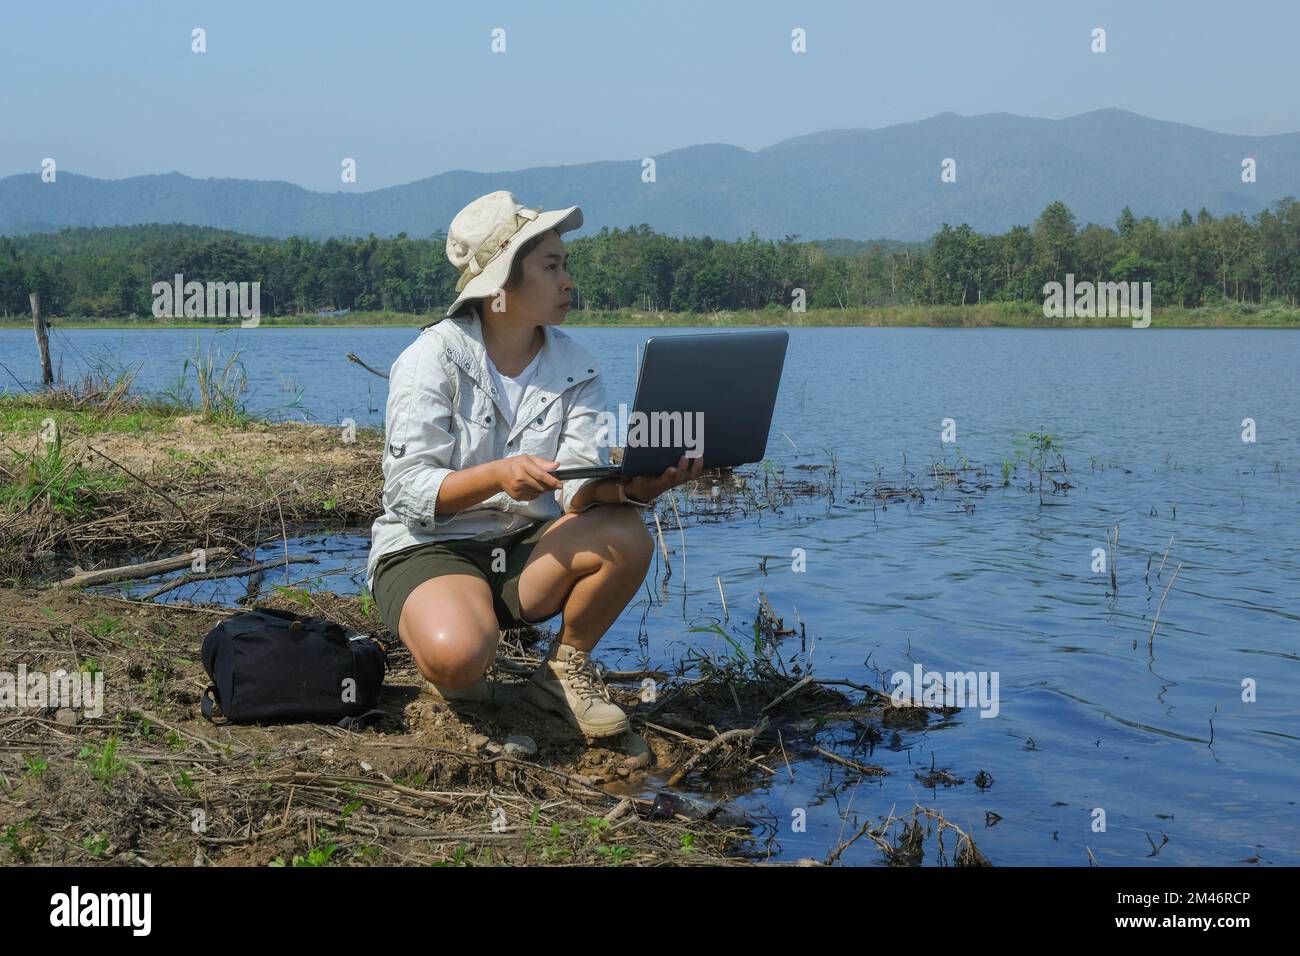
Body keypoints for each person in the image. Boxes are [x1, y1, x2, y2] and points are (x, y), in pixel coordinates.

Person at [366, 190, 704, 740]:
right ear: (501, 284)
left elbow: (576, 490)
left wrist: (638, 489)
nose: (568, 281)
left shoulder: (576, 365)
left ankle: (563, 674)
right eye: (551, 267)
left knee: (625, 529)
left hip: (525, 550)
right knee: (458, 658)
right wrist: (498, 476)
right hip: (429, 547)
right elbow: (408, 493)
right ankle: (460, 653)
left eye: (565, 265)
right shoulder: (432, 358)